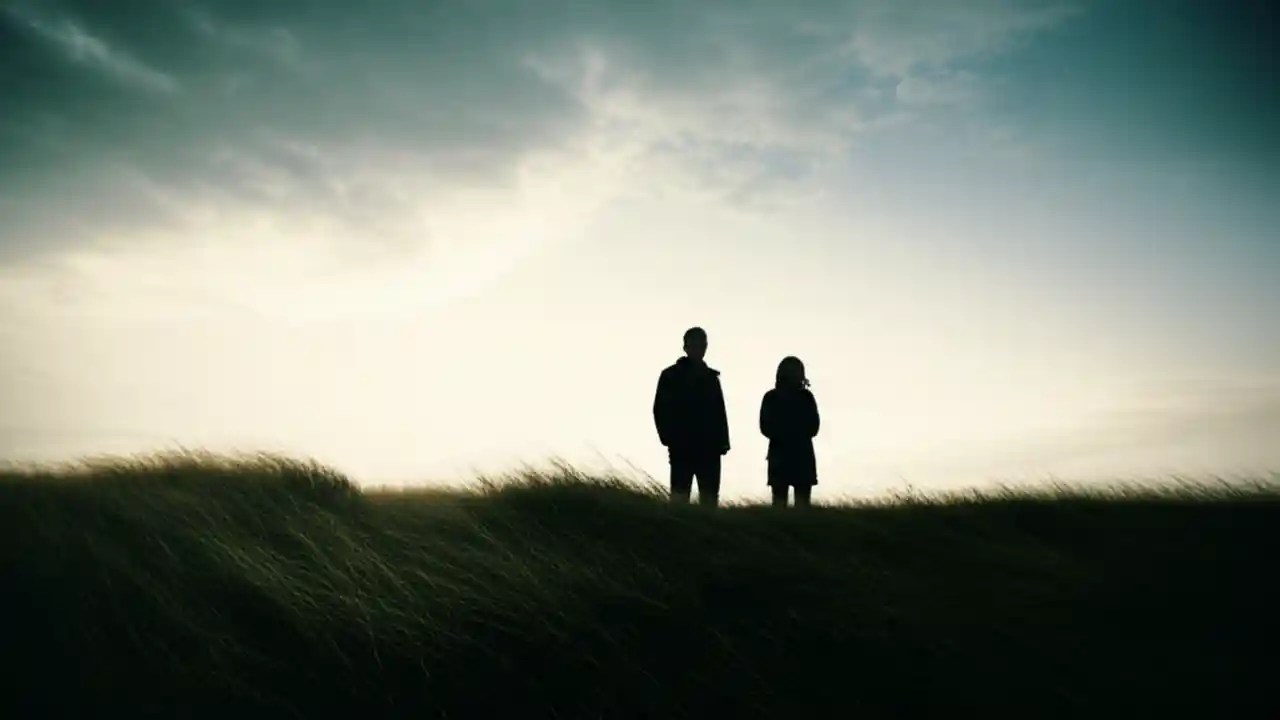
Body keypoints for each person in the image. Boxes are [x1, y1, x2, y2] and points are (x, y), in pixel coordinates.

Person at [653, 327, 730, 507]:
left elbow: (719, 413)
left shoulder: (711, 378)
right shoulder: (670, 376)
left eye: (702, 345)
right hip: (682, 447)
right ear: (685, 347)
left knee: (709, 500)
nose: (698, 349)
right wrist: (669, 438)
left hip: (709, 448)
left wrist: (723, 441)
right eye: (694, 344)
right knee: (680, 498)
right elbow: (660, 409)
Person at [759, 356, 819, 508]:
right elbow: (813, 427)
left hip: (786, 456)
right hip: (794, 455)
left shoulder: (773, 397)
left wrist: (784, 434)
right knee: (796, 505)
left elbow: (814, 427)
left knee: (784, 505)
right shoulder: (803, 398)